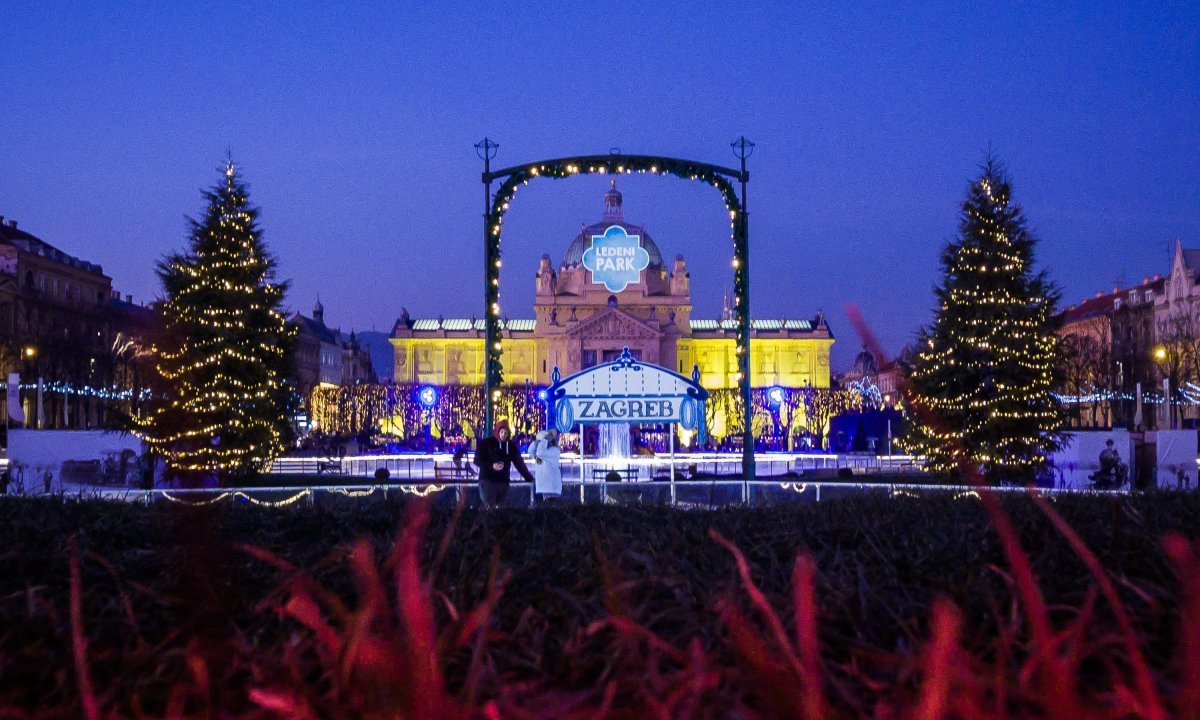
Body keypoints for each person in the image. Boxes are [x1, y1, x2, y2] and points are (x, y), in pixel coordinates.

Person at [473, 419, 534, 506]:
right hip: (487, 481)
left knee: (502, 508)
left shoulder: (511, 446)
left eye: (505, 433)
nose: (503, 435)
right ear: (498, 432)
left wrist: (529, 478)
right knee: (490, 506)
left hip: (503, 482)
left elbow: (519, 463)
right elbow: (477, 460)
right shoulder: (486, 443)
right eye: (502, 432)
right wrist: (491, 466)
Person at [531, 430, 563, 504]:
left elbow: (540, 452)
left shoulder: (553, 451)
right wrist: (536, 442)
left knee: (551, 510)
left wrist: (545, 438)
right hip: (544, 488)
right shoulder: (541, 453)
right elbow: (530, 451)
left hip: (551, 488)